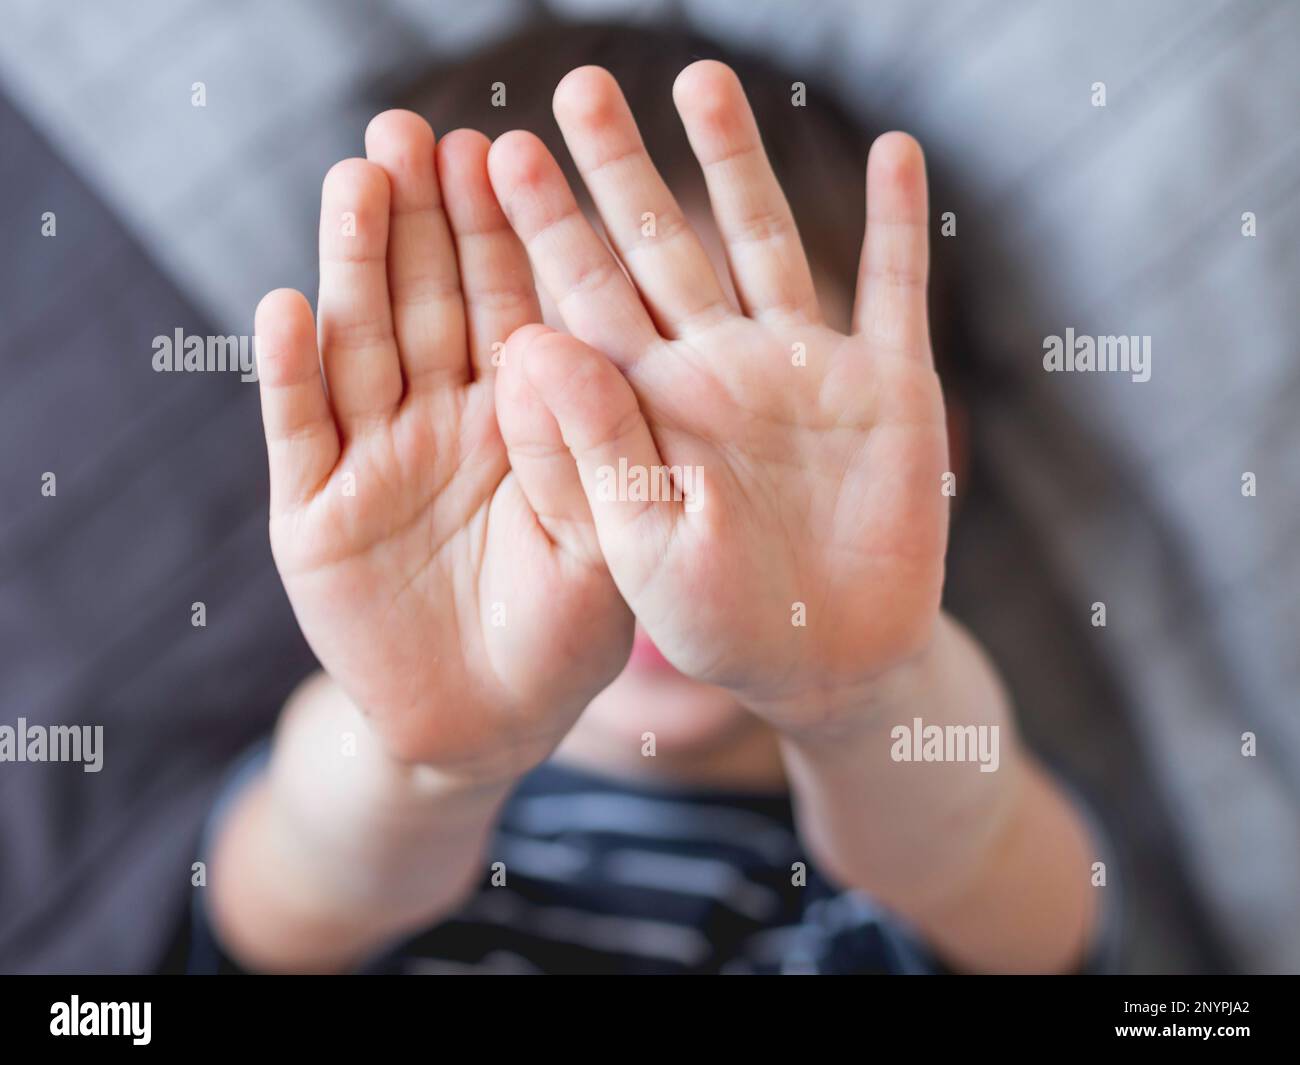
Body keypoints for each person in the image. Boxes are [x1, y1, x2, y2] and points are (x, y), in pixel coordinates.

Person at [198, 24, 1106, 975]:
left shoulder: (936, 802)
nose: (633, 497)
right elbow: (286, 897)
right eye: (543, 433)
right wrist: (431, 762)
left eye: (730, 440)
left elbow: (998, 873)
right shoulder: (380, 789)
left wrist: (861, 700)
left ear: (930, 469)